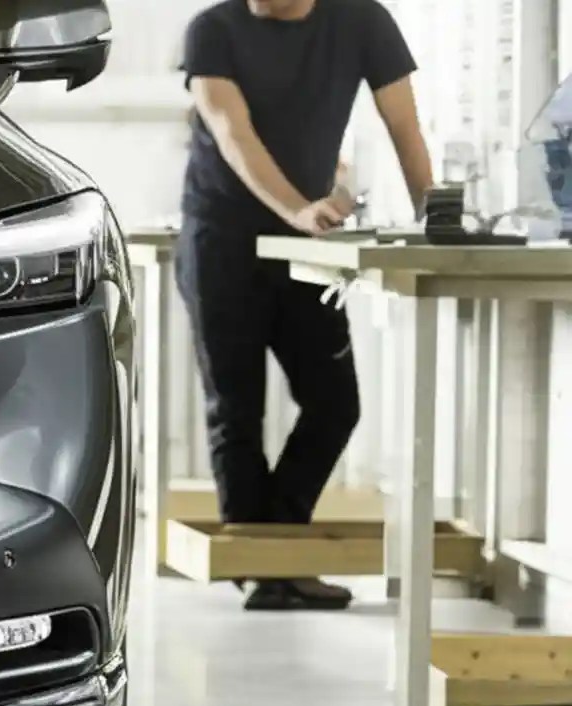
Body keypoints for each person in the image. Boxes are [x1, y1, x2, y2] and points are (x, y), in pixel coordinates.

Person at [177, 0, 434, 611]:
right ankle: (269, 571)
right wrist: (296, 209)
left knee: (334, 402)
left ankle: (276, 553)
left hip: (306, 243)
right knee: (234, 409)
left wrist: (436, 217)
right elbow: (232, 133)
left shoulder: (362, 21)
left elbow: (404, 125)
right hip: (223, 238)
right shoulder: (212, 30)